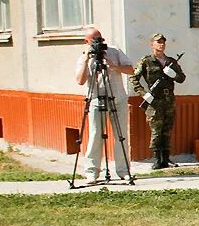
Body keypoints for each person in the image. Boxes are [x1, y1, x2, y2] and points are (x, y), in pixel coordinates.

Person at [74, 28, 134, 182]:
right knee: (95, 135)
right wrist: (87, 60)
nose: (98, 42)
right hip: (96, 99)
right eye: (94, 39)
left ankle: (123, 170)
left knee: (121, 135)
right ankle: (92, 171)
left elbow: (131, 70)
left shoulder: (114, 51)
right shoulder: (84, 58)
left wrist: (114, 66)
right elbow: (80, 81)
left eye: (99, 38)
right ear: (86, 41)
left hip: (117, 98)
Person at [131, 33, 186, 170]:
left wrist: (173, 74)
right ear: (152, 44)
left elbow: (182, 78)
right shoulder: (147, 61)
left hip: (168, 100)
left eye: (163, 42)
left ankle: (166, 159)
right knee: (156, 131)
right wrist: (144, 94)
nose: (161, 44)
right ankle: (157, 160)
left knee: (167, 130)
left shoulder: (171, 61)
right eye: (158, 42)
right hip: (154, 101)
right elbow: (134, 79)